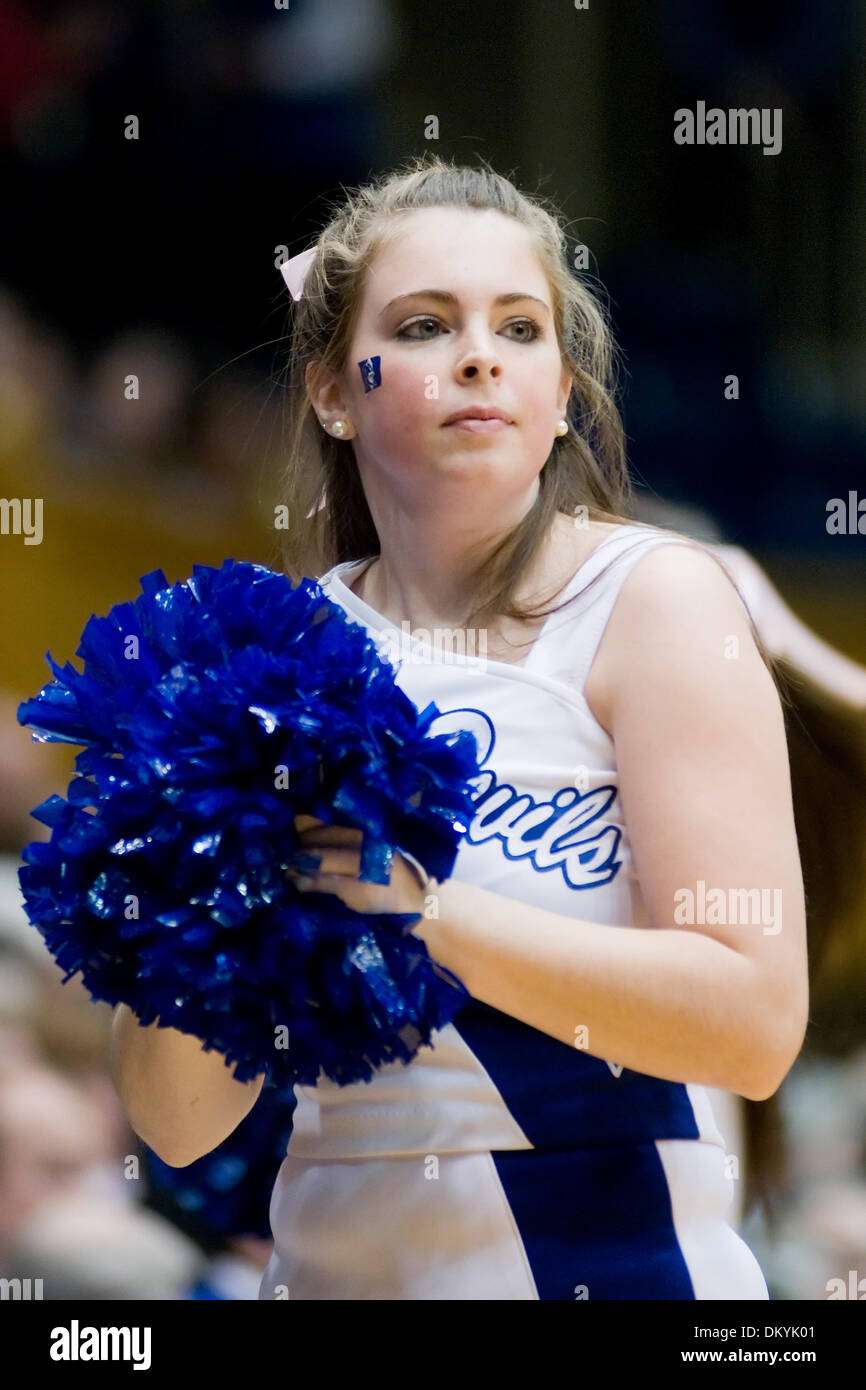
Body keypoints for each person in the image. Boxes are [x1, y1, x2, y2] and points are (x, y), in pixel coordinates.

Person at [243, 154, 809, 1300]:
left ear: (559, 395)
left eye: (517, 327)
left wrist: (427, 911)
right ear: (332, 390)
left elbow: (752, 1025)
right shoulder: (271, 654)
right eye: (419, 325)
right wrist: (168, 926)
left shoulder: (650, 600)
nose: (476, 356)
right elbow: (175, 1121)